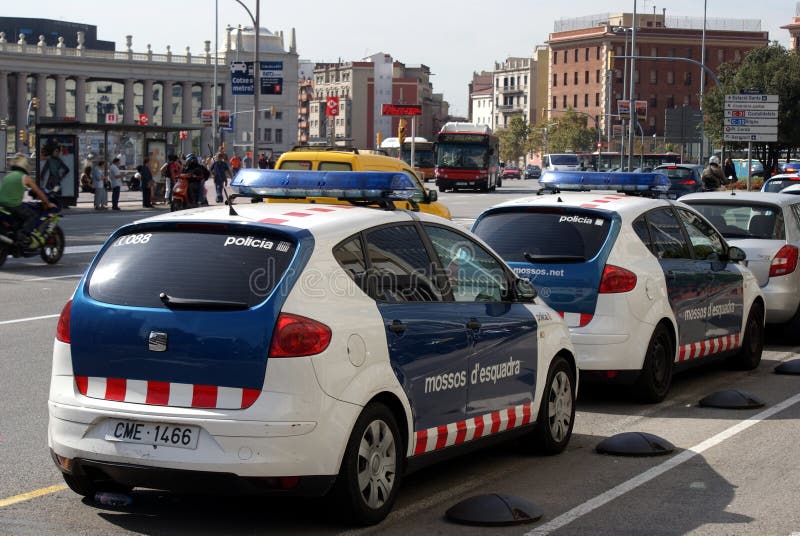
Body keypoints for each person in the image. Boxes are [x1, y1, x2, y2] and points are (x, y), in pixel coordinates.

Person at [0, 153, 55, 246]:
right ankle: (21, 236)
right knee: (32, 216)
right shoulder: (24, 177)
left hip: (2, 205)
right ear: (25, 165)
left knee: (21, 213)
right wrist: (48, 203)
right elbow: (38, 191)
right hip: (13, 205)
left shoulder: (7, 176)